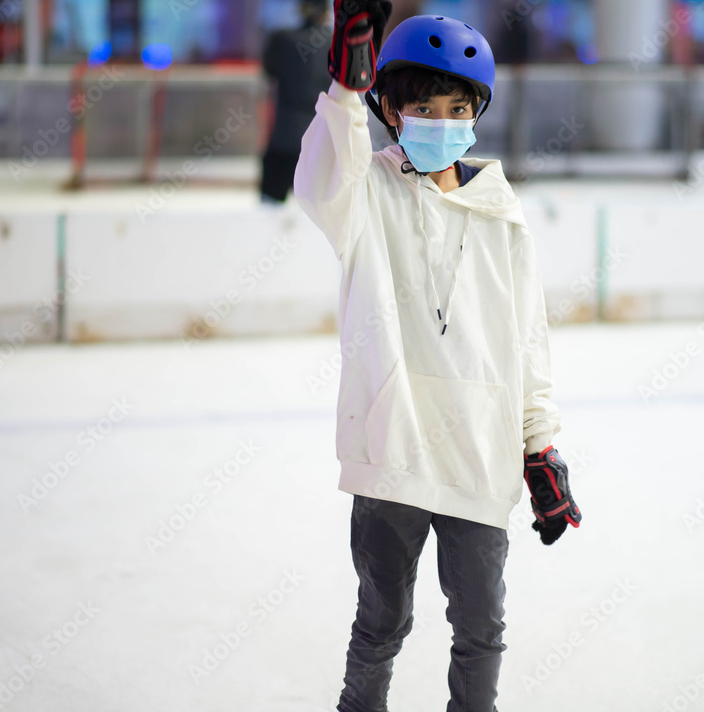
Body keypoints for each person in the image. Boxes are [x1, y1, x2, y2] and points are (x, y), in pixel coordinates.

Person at [294, 3, 583, 711]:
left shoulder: (503, 217)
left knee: (481, 628)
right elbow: (320, 179)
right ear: (391, 108)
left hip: (479, 457)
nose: (442, 121)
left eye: (458, 107)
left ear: (477, 112)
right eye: (424, 105)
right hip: (394, 448)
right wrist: (342, 92)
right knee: (381, 622)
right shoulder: (366, 196)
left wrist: (539, 447)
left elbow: (527, 338)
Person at [259, 0, 331, 203]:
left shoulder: (281, 39)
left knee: (269, 210)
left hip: (284, 140)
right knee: (322, 216)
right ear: (327, 12)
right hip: (321, 144)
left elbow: (269, 71)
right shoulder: (335, 43)